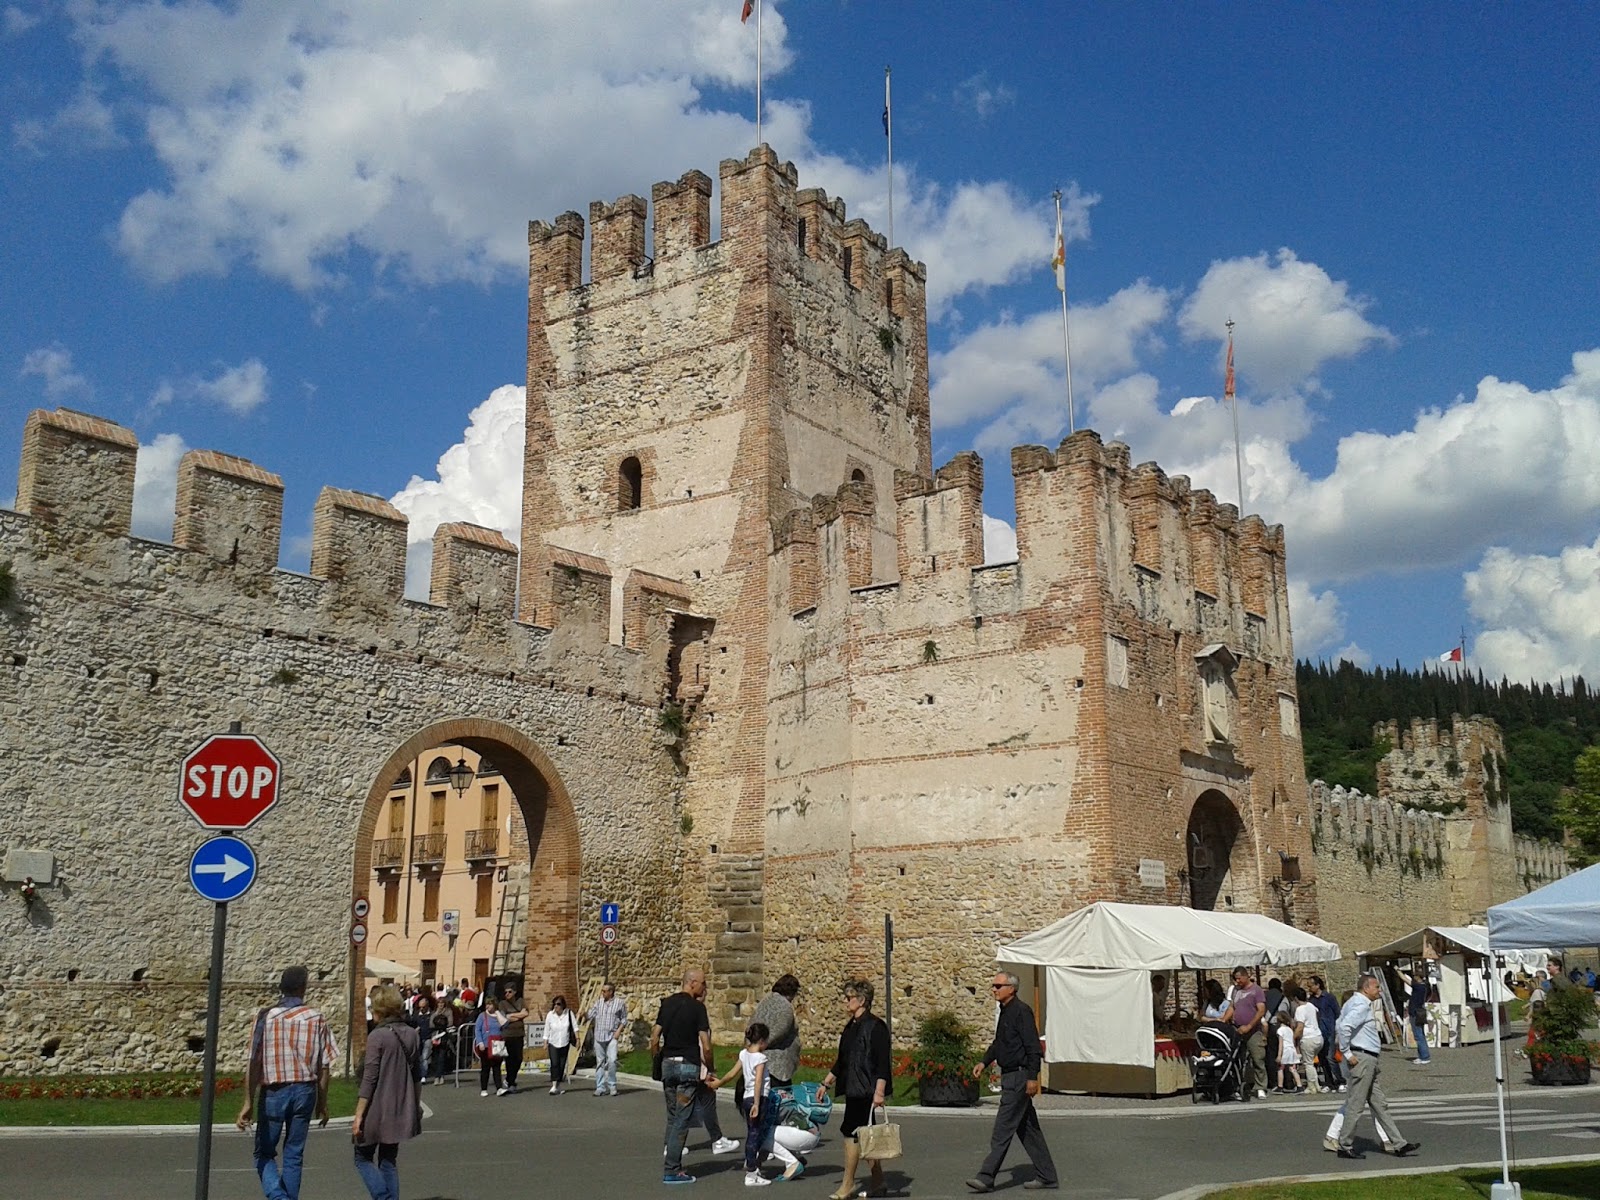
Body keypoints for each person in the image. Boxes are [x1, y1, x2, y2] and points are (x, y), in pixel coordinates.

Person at [235, 965, 337, 1200]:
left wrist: (248, 1101)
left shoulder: (265, 1017)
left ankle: (279, 1197)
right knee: (293, 1154)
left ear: (282, 989)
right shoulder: (316, 1018)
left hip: (274, 1090)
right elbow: (324, 1066)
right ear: (303, 988)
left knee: (264, 1153)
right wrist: (322, 1102)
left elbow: (253, 1062)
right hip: (305, 1090)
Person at [964, 971, 1057, 1194]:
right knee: (1028, 1130)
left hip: (1019, 1075)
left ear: (1011, 989)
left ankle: (986, 1177)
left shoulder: (1021, 1012)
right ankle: (1047, 1175)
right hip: (1009, 1075)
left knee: (1003, 1128)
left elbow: (1033, 1047)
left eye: (998, 985)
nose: (994, 989)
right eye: (993, 985)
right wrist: (984, 1062)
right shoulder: (1005, 1012)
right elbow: (1000, 1043)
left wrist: (1032, 1077)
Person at [653, 968, 740, 1185]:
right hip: (688, 1067)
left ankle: (671, 1158)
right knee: (683, 1119)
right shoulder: (697, 1008)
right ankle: (672, 1169)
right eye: (702, 983)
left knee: (673, 1116)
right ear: (691, 983)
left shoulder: (667, 1004)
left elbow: (654, 1037)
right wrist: (710, 1069)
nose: (704, 987)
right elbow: (706, 1045)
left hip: (668, 1065)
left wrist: (657, 1062)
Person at [820, 978, 892, 1200]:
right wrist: (826, 1082)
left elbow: (882, 1063)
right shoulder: (850, 1027)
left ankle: (848, 1184)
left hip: (867, 1090)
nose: (845, 1001)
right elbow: (842, 1060)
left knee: (851, 1134)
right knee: (866, 1136)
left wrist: (879, 1093)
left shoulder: (876, 1027)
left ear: (862, 1000)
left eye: (849, 997)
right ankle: (878, 1182)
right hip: (853, 1088)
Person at [1334, 973, 1419, 1161]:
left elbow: (1339, 1023)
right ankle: (1345, 1144)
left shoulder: (1351, 1003)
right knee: (1356, 1104)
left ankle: (1399, 1143)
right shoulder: (1361, 1005)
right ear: (1366, 988)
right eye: (1377, 987)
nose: (1379, 991)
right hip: (1362, 1056)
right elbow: (1345, 1026)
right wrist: (1347, 1053)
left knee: (1379, 1104)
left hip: (1367, 1057)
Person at [351, 985, 423, 1200]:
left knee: (362, 1157)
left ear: (380, 1010)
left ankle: (384, 1197)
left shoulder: (378, 1036)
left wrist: (358, 1114)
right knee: (388, 1160)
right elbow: (417, 1075)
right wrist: (416, 1104)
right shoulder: (411, 1034)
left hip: (376, 1107)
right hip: (400, 1104)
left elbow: (369, 1078)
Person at [716, 1020, 779, 1187]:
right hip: (758, 1098)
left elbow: (731, 1074)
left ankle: (751, 1163)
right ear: (762, 1041)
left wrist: (718, 1083)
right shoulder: (761, 1057)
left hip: (746, 1097)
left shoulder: (744, 1054)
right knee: (755, 1134)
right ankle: (751, 1172)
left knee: (752, 1132)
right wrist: (757, 1103)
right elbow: (759, 1081)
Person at [1223, 966, 1268, 1100]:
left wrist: (1249, 1026)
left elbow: (1261, 1010)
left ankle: (1260, 1087)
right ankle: (1239, 1085)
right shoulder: (1235, 990)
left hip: (1253, 1030)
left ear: (1245, 976)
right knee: (1238, 1059)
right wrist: (1224, 1019)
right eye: (1235, 979)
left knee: (1257, 1058)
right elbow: (1232, 1007)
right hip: (1237, 1028)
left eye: (1239, 979)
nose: (1237, 982)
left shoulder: (1256, 990)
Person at [751, 974, 802, 1089]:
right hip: (776, 1068)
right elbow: (779, 1031)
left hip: (759, 1061)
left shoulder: (765, 1001)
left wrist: (753, 1045)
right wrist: (762, 1044)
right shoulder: (785, 1006)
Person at [588, 982, 628, 1097]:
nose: (602, 993)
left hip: (612, 1036)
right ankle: (600, 1087)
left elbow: (624, 1019)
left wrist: (619, 1030)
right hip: (599, 1036)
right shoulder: (598, 1003)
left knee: (612, 1060)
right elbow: (590, 1015)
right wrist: (583, 1014)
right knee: (600, 1062)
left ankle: (612, 1085)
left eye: (604, 991)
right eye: (602, 991)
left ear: (611, 992)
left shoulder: (619, 1003)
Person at [1308, 976, 1343, 1092]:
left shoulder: (1329, 997)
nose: (1309, 988)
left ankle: (1340, 1080)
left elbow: (1337, 1012)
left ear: (1317, 985)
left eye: (1311, 985)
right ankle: (1329, 1082)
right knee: (1322, 1058)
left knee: (1331, 1057)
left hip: (1329, 1030)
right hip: (1318, 1031)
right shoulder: (1311, 1000)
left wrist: (1334, 1026)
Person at [496, 984, 530, 1093]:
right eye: (505, 992)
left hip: (519, 1033)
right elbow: (504, 1018)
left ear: (514, 992)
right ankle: (511, 1082)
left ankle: (509, 1079)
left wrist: (511, 1016)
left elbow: (526, 1014)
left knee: (519, 1058)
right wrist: (518, 1015)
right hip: (508, 1034)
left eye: (509, 992)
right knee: (510, 1059)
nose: (507, 994)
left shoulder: (521, 1001)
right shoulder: (502, 1004)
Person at [543, 994, 578, 1094]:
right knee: (554, 1063)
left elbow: (575, 1027)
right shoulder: (550, 1015)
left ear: (563, 1005)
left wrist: (578, 1039)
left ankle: (557, 1085)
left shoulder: (569, 1013)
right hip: (553, 1042)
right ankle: (554, 1085)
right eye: (554, 1004)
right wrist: (545, 1041)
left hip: (564, 1042)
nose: (556, 1006)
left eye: (558, 1004)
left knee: (561, 1065)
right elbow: (547, 1028)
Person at [1291, 987, 1322, 1094]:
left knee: (1308, 1063)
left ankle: (1311, 1086)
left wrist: (1293, 1038)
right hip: (1318, 1036)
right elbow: (1317, 1016)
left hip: (1308, 1038)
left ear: (1295, 998)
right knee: (1311, 1063)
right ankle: (1316, 1085)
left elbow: (1300, 1027)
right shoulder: (1311, 1006)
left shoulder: (1300, 1009)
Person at [473, 997, 505, 1097]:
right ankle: (484, 1088)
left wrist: (498, 1013)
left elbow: (504, 1024)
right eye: (487, 1004)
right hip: (486, 1044)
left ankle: (499, 1087)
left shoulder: (499, 1015)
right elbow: (477, 1029)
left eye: (490, 1004)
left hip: (497, 1043)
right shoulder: (482, 1016)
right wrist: (480, 1042)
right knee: (485, 1068)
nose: (488, 1006)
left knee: (496, 1067)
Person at [1273, 1010, 1303, 1093]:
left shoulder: (1280, 1030)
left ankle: (1280, 1086)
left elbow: (1281, 1044)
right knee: (1293, 1069)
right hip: (1292, 1051)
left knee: (1280, 1068)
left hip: (1285, 1051)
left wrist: (1279, 1055)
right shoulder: (1290, 1030)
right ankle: (1299, 1086)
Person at [1408, 965, 1432, 1065]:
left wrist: (1398, 971)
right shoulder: (1425, 986)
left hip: (1415, 1013)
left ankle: (1425, 1057)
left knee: (1418, 1035)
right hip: (1419, 1012)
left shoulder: (1418, 986)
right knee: (1420, 1034)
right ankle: (1422, 1056)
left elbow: (1406, 980)